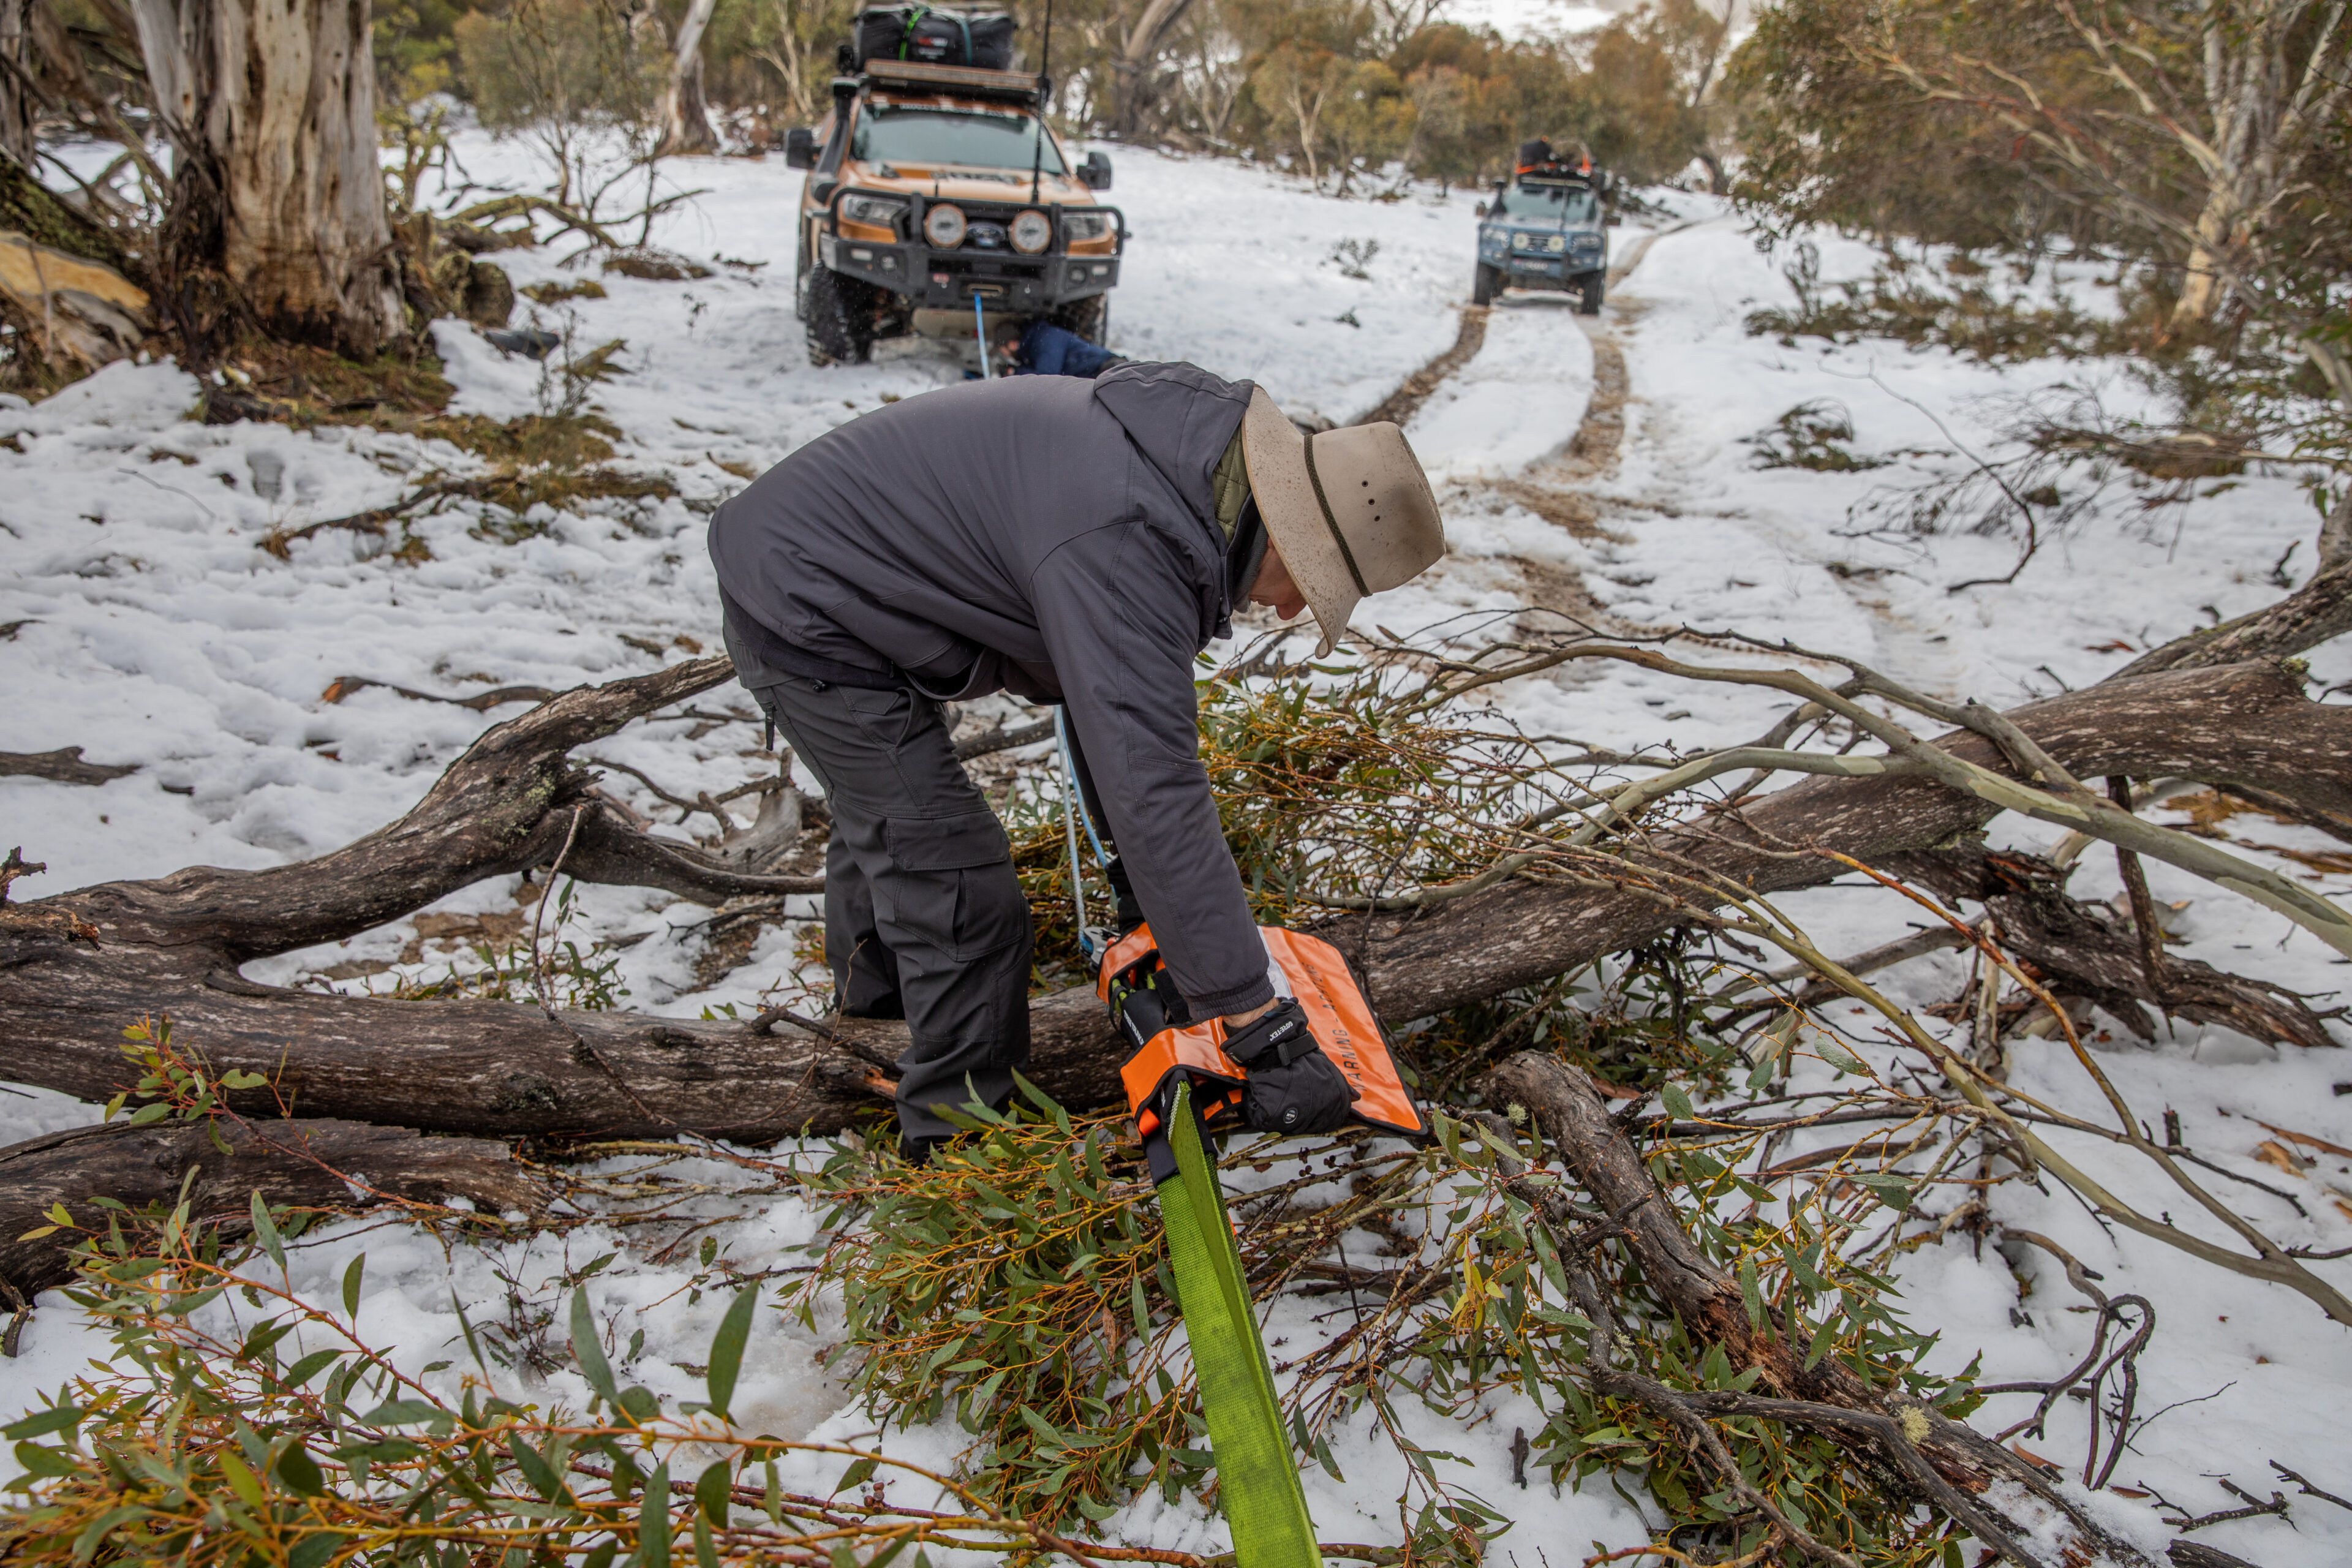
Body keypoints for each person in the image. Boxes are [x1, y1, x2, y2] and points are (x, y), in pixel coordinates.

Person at [707, 362, 1444, 1158]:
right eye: (1309, 580)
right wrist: (1257, 1022)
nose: (1295, 607)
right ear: (1285, 523)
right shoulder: (1133, 537)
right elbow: (1153, 781)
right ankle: (954, 1165)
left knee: (901, 813)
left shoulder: (1187, 471)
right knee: (963, 891)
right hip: (805, 605)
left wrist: (1142, 891)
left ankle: (876, 1025)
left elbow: (1114, 721)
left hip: (825, 566)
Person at [992, 315, 1123, 377]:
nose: (1004, 355)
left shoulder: (1046, 338)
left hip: (1112, 370)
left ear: (1013, 344)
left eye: (1003, 351)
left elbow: (1048, 378)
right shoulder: (1033, 347)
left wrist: (1016, 372)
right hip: (1098, 377)